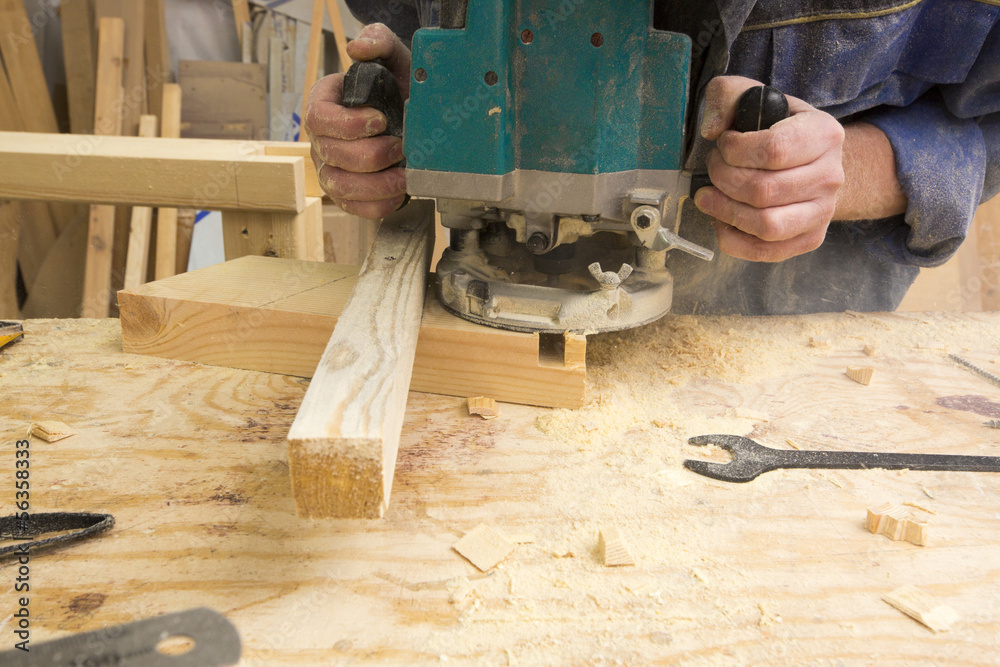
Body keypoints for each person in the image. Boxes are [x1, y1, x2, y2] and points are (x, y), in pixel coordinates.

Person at [304, 1, 1000, 315]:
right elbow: (406, 43)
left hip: (772, 347)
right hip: (474, 328)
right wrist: (402, 123)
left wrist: (840, 174)